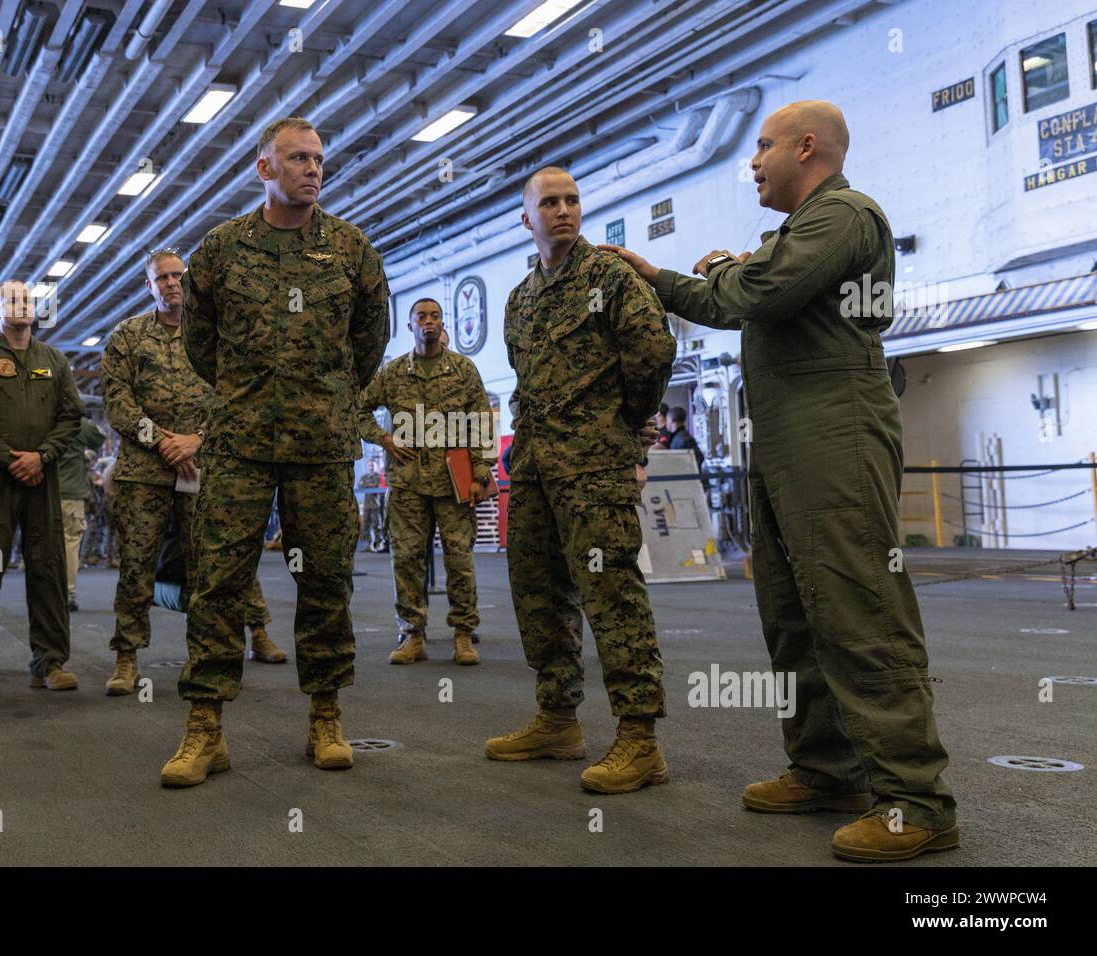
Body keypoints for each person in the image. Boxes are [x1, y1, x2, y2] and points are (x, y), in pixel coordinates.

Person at [603, 100, 958, 861]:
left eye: (762, 146)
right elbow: (727, 295)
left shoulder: (844, 215)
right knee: (794, 609)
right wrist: (669, 276)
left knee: (859, 605)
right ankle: (827, 767)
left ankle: (916, 802)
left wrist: (726, 269)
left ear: (808, 148)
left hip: (836, 426)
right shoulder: (795, 234)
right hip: (789, 433)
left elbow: (751, 295)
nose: (753, 160)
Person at [161, 115, 389, 786]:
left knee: (325, 580)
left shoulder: (351, 250)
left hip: (321, 445)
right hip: (239, 443)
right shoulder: (222, 250)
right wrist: (245, 392)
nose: (313, 169)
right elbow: (201, 347)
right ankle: (205, 729)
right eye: (297, 159)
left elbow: (369, 343)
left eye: (319, 159)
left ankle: (326, 716)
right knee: (218, 580)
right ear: (265, 169)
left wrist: (331, 396)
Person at [484, 167, 675, 795]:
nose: (563, 210)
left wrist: (624, 423)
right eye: (549, 202)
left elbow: (653, 353)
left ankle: (639, 737)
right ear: (527, 218)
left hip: (594, 466)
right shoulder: (520, 298)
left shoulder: (612, 278)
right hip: (536, 468)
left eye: (571, 200)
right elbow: (525, 376)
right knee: (537, 590)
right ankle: (558, 718)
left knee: (611, 595)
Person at [103, 250, 287, 698]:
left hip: (205, 466)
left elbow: (237, 395)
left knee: (220, 560)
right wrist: (162, 441)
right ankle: (127, 657)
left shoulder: (216, 335)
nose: (171, 283)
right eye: (161, 277)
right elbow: (117, 400)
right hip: (144, 471)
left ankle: (250, 633)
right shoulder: (127, 336)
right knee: (136, 565)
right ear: (149, 286)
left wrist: (198, 439)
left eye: (177, 275)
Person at [0, 280, 85, 696]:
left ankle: (49, 662)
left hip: (41, 480)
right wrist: (11, 458)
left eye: (27, 300)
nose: (21, 305)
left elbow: (72, 418)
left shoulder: (53, 360)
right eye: (11, 300)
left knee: (47, 568)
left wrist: (42, 456)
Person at [359, 297, 492, 665]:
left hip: (455, 483)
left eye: (435, 316)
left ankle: (463, 636)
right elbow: (357, 408)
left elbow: (481, 422)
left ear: (442, 322)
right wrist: (385, 438)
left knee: (460, 560)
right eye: (422, 316)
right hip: (407, 485)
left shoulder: (463, 370)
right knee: (407, 560)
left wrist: (481, 475)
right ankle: (411, 635)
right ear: (410, 326)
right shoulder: (393, 372)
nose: (428, 322)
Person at [57, 415, 106, 612]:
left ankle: (46, 595)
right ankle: (67, 595)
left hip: (42, 492)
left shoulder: (42, 415)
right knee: (70, 544)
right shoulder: (76, 422)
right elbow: (98, 438)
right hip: (70, 494)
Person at [356, 458, 385, 552]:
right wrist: (369, 484)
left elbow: (377, 485)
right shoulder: (364, 476)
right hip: (366, 505)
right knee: (365, 526)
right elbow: (360, 485)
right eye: (369, 465)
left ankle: (378, 545)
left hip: (375, 505)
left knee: (377, 525)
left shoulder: (378, 476)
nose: (371, 467)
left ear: (375, 466)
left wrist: (367, 484)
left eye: (372, 465)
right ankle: (368, 545)